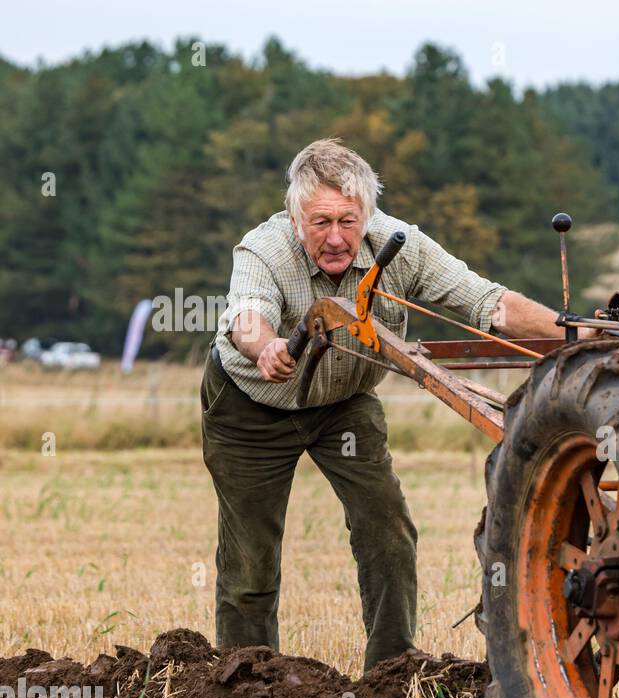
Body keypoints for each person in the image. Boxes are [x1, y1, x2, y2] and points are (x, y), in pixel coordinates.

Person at [202, 138, 564, 669]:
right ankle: (249, 680)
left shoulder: (401, 246)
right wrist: (268, 347)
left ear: (367, 215)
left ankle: (391, 670)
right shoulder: (264, 250)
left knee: (388, 530)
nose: (334, 238)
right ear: (295, 218)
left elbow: (489, 303)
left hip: (343, 403)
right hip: (251, 406)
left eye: (347, 222)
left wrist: (574, 332)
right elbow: (247, 315)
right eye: (320, 222)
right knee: (251, 558)